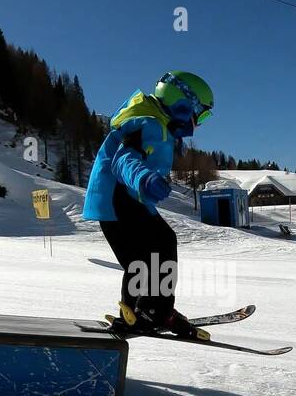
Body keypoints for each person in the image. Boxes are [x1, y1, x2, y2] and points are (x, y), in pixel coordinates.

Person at [84, 71, 215, 339]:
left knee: (149, 252)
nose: (198, 123)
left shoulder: (159, 126)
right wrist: (144, 177)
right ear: (183, 103)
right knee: (152, 249)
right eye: (200, 114)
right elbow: (124, 160)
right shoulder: (148, 123)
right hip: (118, 197)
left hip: (132, 199)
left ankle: (138, 311)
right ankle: (153, 311)